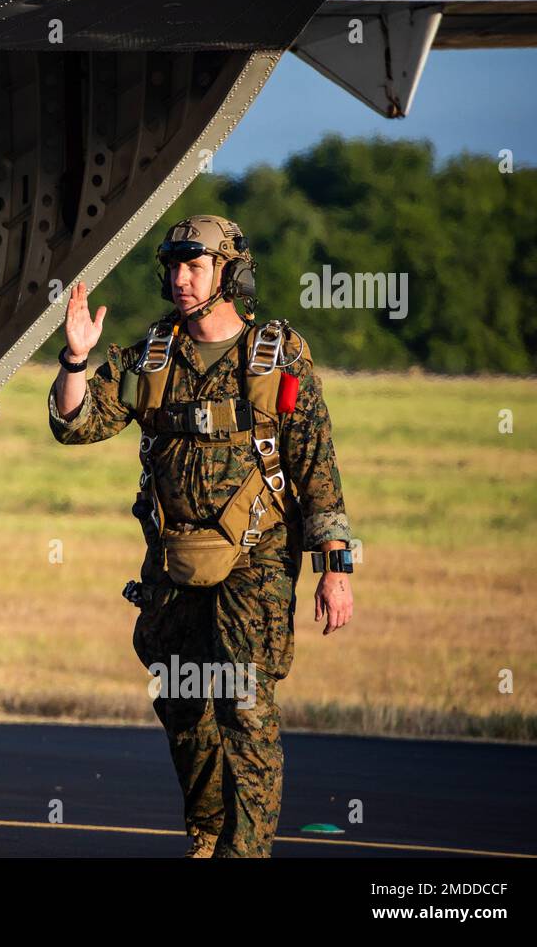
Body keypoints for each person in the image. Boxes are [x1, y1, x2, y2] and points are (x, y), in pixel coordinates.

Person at [48, 214, 354, 858]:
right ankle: (210, 830)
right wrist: (75, 356)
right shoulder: (154, 354)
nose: (180, 279)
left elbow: (316, 466)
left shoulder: (275, 355)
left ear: (230, 273)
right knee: (182, 702)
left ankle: (246, 851)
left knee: (243, 699)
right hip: (173, 556)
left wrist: (335, 568)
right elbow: (76, 424)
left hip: (257, 557)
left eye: (195, 266)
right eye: (173, 266)